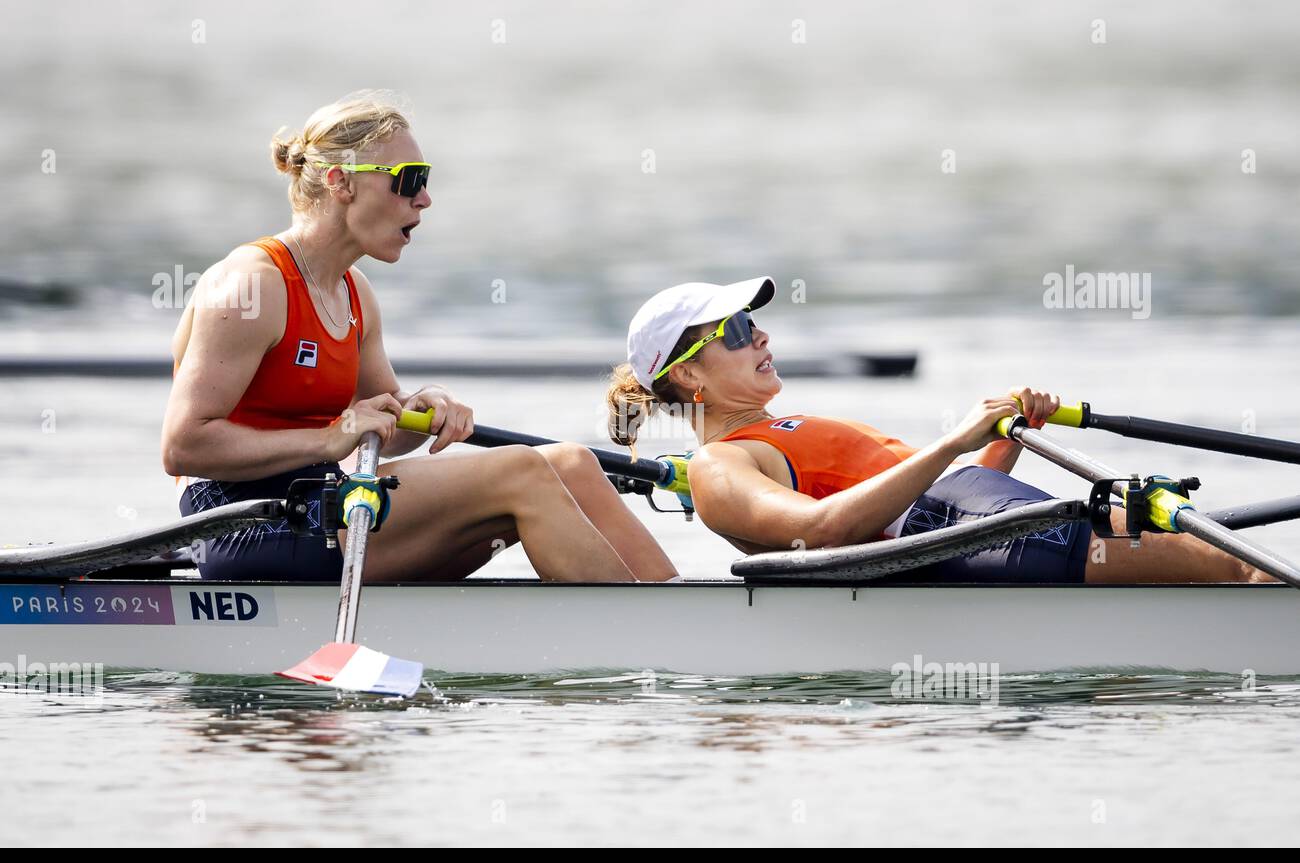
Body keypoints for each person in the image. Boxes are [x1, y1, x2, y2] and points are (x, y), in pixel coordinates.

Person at [163, 91, 676, 583]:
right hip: (240, 522)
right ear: (342, 182)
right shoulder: (251, 284)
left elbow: (383, 429)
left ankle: (675, 611)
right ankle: (646, 639)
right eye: (409, 180)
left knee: (571, 462)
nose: (425, 199)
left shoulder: (354, 293)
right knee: (522, 470)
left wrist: (421, 410)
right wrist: (327, 438)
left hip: (325, 503)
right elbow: (183, 446)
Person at [605, 277, 1269, 583]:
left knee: (1235, 565)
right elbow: (829, 531)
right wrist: (957, 439)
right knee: (1240, 571)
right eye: (739, 330)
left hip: (977, 517)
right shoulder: (720, 468)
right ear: (690, 378)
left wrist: (1004, 433)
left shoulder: (779, 429)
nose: (763, 335)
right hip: (969, 534)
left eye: (755, 322)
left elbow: (940, 499)